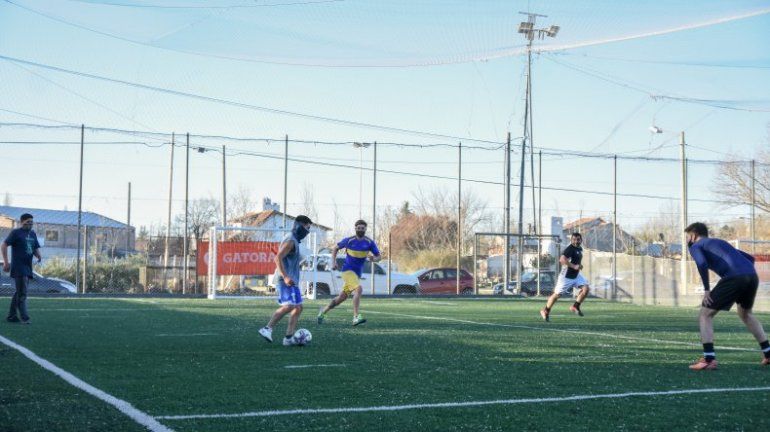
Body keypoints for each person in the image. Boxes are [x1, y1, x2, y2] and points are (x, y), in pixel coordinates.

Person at [684, 222, 770, 370]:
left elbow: (702, 264)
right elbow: (750, 258)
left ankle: (709, 359)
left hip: (734, 277)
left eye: (687, 237)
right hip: (751, 276)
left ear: (693, 235)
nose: (686, 240)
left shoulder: (696, 246)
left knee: (705, 314)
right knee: (746, 314)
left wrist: (706, 290)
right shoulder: (719, 242)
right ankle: (768, 354)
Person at [258, 215, 313, 346]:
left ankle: (288, 338)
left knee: (298, 307)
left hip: (292, 280)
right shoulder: (291, 240)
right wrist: (286, 276)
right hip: (285, 279)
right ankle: (267, 328)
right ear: (299, 225)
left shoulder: (294, 240)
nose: (307, 231)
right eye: (307, 227)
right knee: (289, 305)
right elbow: (277, 258)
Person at [317, 220, 381, 326]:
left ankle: (323, 312)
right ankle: (355, 317)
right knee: (359, 289)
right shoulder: (349, 240)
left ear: (365, 229)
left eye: (362, 228)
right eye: (358, 228)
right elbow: (335, 248)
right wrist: (333, 262)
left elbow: (379, 257)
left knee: (342, 297)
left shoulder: (369, 242)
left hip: (357, 274)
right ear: (355, 228)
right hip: (347, 271)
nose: (360, 230)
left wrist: (373, 259)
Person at [540, 232, 590, 322]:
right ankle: (545, 310)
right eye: (574, 239)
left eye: (578, 239)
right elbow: (562, 259)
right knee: (557, 295)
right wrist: (574, 266)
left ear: (581, 240)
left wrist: (579, 265)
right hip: (566, 277)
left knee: (586, 289)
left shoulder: (579, 249)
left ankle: (575, 306)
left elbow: (575, 260)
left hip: (576, 275)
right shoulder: (570, 249)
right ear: (571, 240)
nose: (576, 241)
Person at [2, 213, 42, 324]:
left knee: (19, 292)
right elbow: (4, 245)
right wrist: (6, 262)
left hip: (28, 267)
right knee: (22, 293)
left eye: (31, 222)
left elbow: (34, 247)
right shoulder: (16, 233)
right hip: (19, 267)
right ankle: (25, 318)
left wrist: (38, 255)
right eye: (28, 222)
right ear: (22, 222)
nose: (30, 224)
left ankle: (11, 316)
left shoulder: (32, 233)